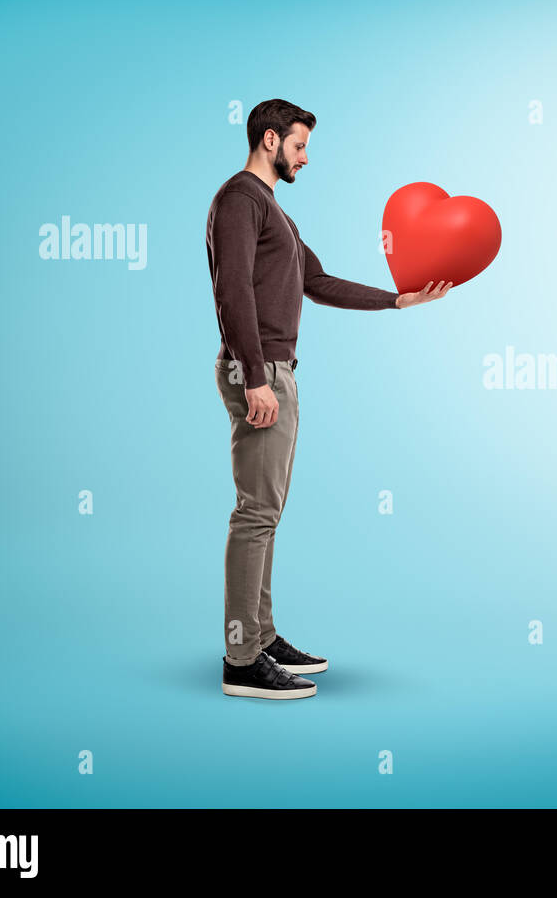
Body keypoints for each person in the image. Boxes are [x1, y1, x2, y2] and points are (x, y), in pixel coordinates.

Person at [207, 98, 449, 699]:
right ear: (269, 140)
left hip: (274, 369)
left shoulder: (275, 215)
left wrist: (398, 299)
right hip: (258, 371)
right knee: (255, 514)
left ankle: (259, 636)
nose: (305, 158)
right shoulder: (240, 200)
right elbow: (231, 287)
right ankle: (241, 659)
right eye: (299, 145)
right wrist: (255, 374)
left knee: (268, 514)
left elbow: (317, 282)